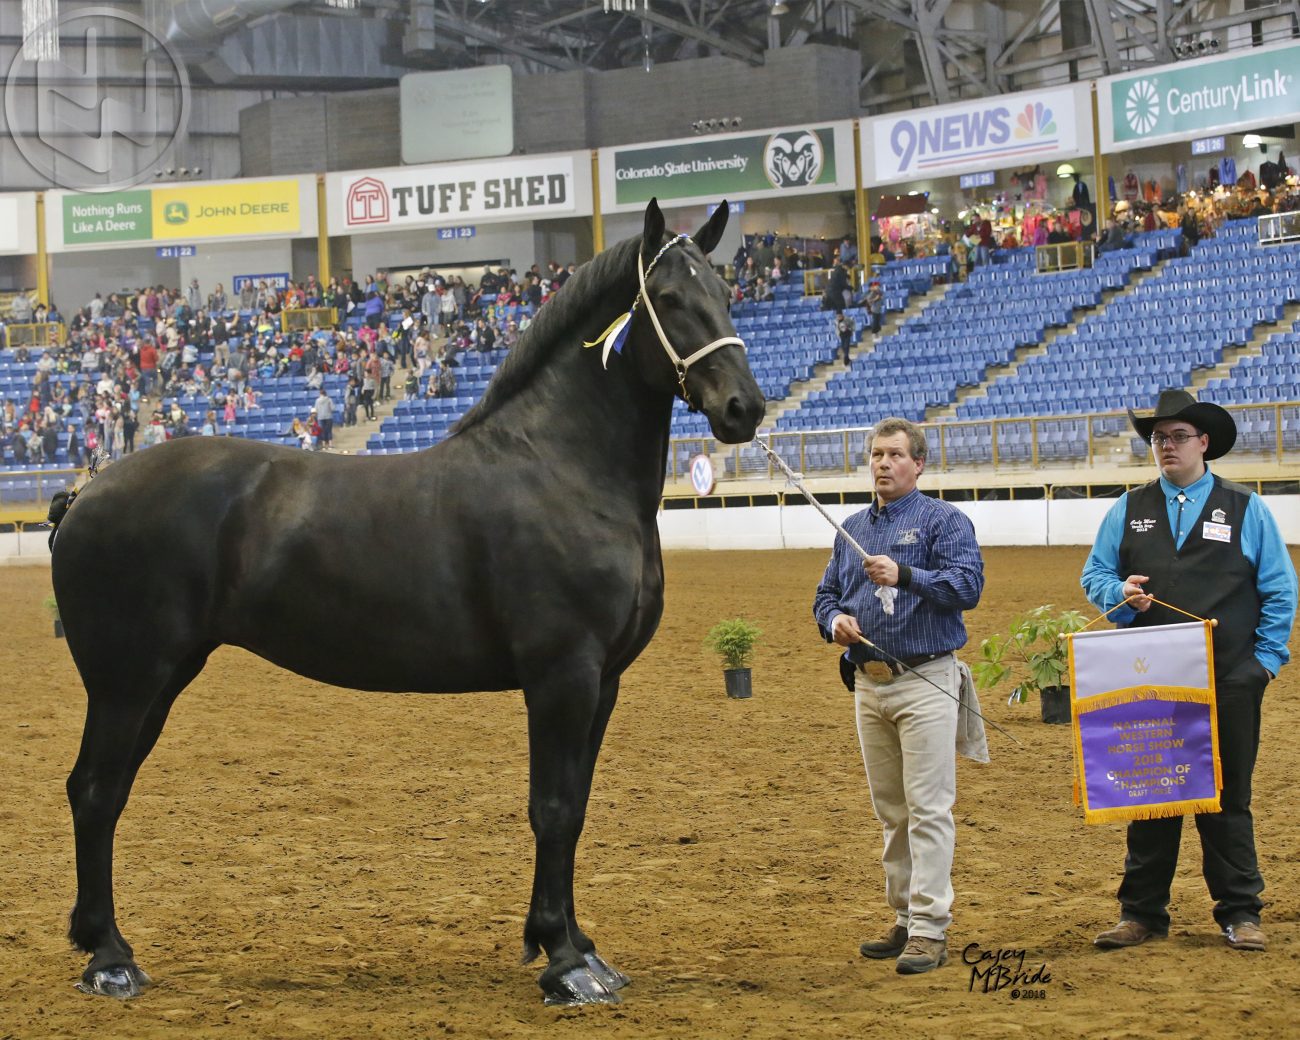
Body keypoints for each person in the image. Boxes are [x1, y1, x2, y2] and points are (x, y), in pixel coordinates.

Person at [1081, 389, 1297, 954]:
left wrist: (1265, 663)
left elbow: (1279, 589)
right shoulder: (1127, 508)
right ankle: (1142, 912)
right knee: (1151, 790)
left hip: (1229, 676)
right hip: (1149, 675)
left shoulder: (1247, 508)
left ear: (1204, 443)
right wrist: (1120, 594)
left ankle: (1240, 911)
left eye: (1178, 436)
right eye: (1158, 438)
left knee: (1229, 795)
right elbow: (1096, 576)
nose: (1166, 447)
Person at [812, 417, 985, 976]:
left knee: (929, 807)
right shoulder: (851, 527)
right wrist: (833, 620)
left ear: (919, 464)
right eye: (875, 455)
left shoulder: (945, 521)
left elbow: (968, 587)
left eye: (894, 455)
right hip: (868, 684)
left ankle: (932, 927)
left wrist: (906, 575)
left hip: (926, 681)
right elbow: (824, 595)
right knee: (892, 810)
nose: (882, 464)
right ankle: (907, 917)